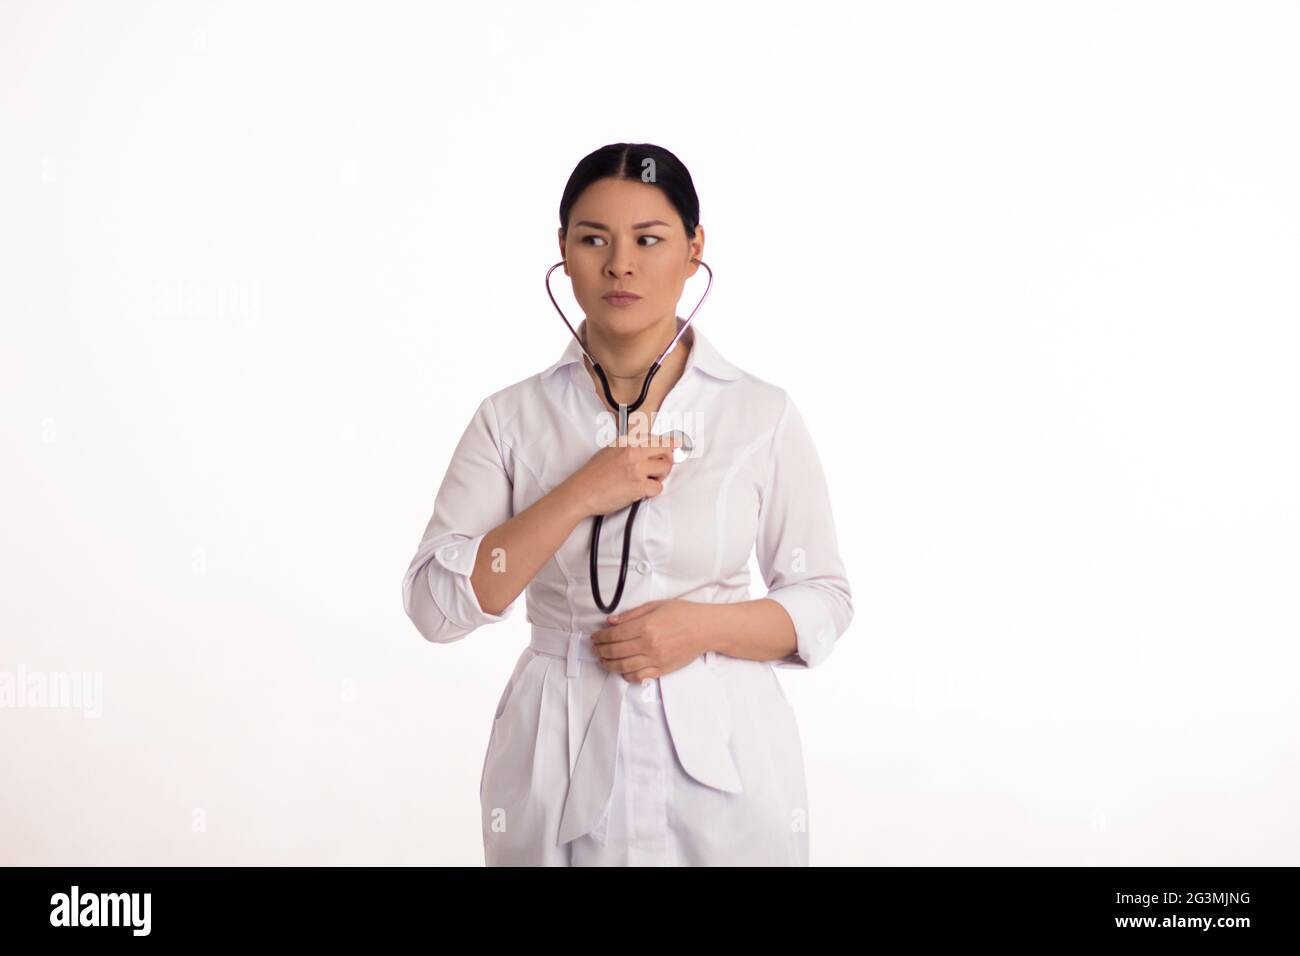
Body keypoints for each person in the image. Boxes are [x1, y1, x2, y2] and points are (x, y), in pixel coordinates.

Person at [401, 142, 853, 866]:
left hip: (727, 774)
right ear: (562, 250)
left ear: (694, 249)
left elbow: (823, 598)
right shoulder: (510, 420)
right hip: (557, 761)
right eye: (594, 240)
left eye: (648, 239)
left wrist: (701, 628)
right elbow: (435, 604)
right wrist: (581, 492)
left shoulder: (759, 415)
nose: (620, 265)